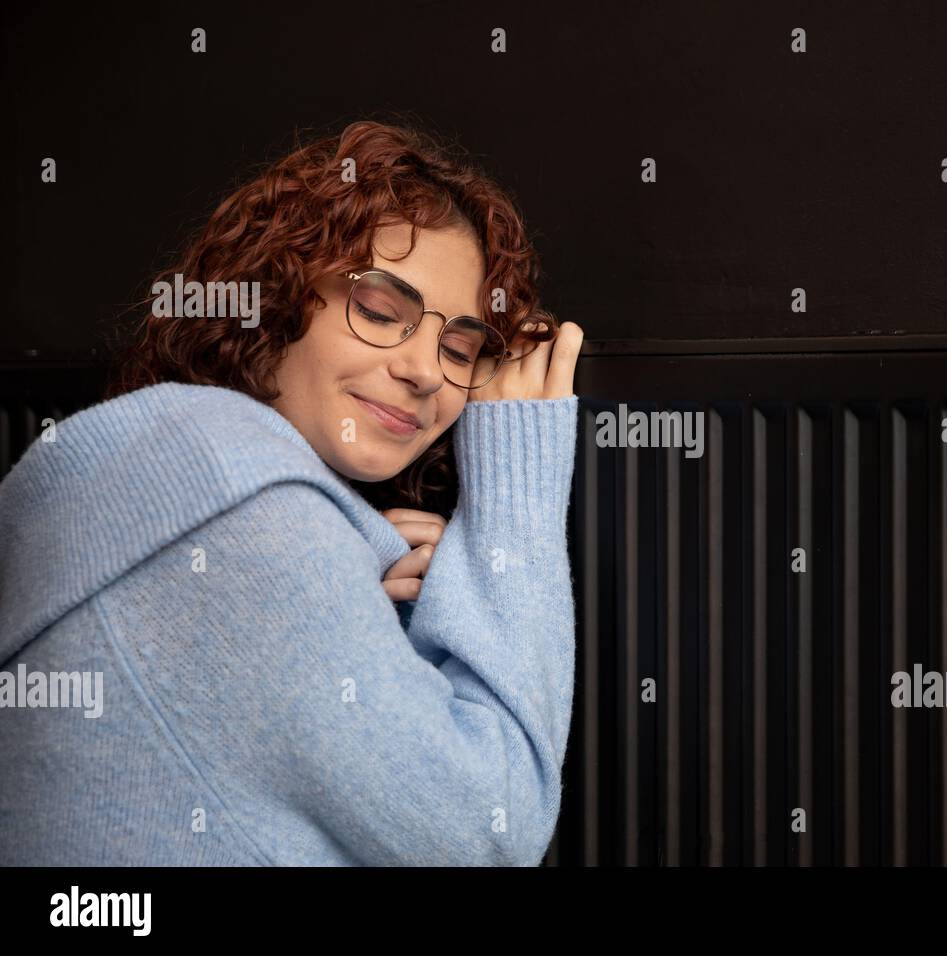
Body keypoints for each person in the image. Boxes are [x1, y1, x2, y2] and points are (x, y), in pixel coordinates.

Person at [0, 120, 584, 865]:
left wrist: (373, 611)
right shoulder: (247, 520)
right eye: (379, 312)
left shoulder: (170, 487)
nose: (428, 372)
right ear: (273, 299)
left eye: (460, 348)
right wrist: (513, 509)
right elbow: (490, 831)